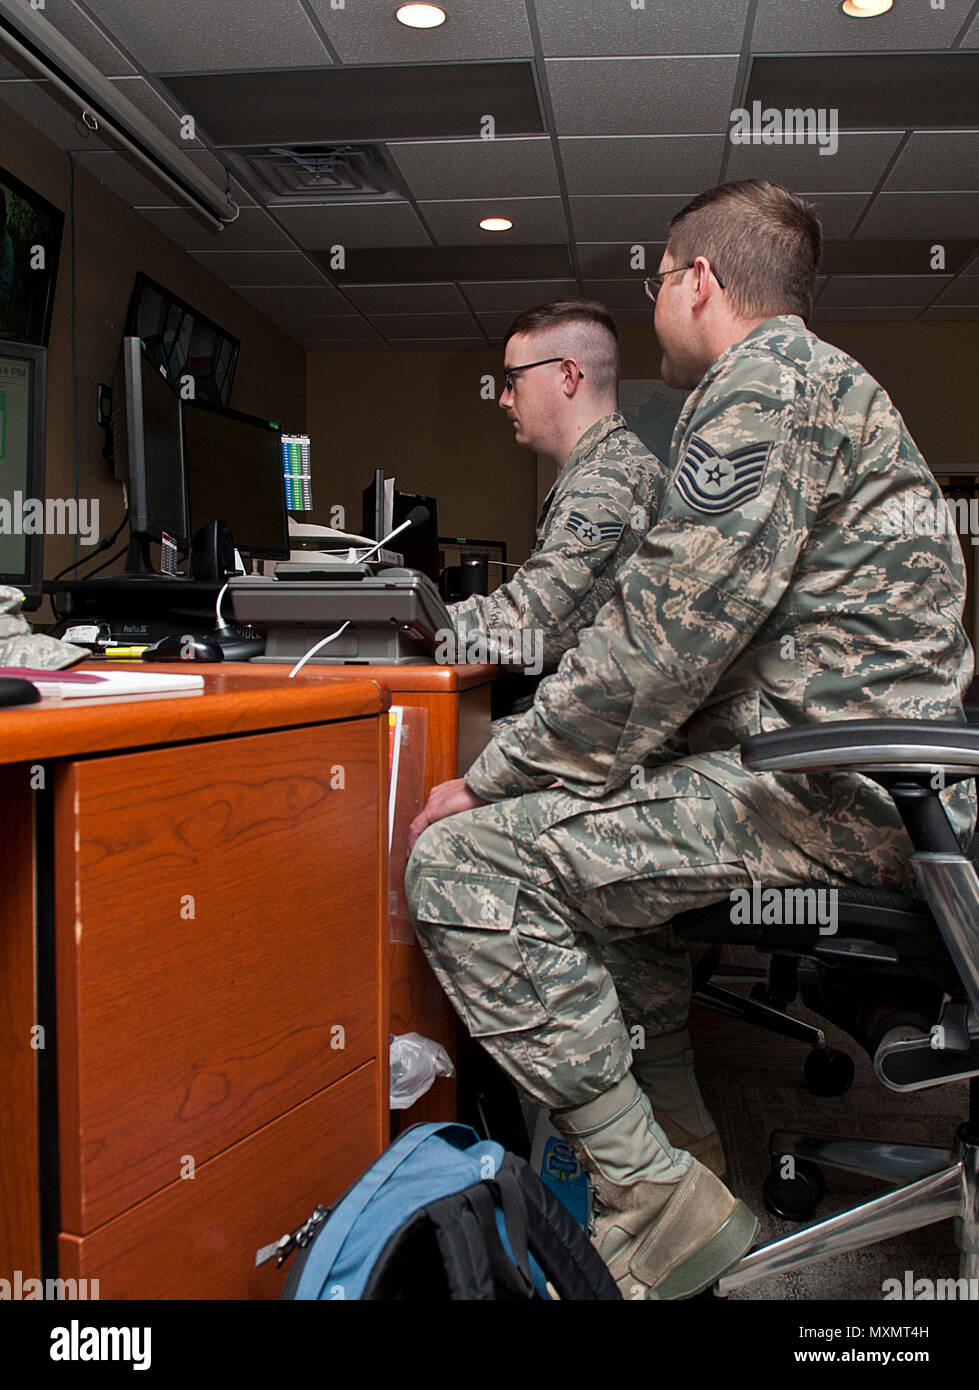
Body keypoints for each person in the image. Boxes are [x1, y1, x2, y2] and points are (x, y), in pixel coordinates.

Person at [405, 180, 975, 1299]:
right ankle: (686, 1173)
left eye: (656, 279)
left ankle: (648, 1198)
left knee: (463, 858)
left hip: (834, 797)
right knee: (621, 906)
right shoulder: (818, 385)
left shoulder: (762, 384)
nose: (653, 300)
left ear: (697, 280)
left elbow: (663, 641)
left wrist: (496, 776)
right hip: (877, 785)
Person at [449, 299, 667, 685]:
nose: (504, 398)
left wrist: (410, 619)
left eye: (512, 379)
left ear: (568, 375)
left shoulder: (610, 478)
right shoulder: (600, 467)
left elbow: (528, 626)